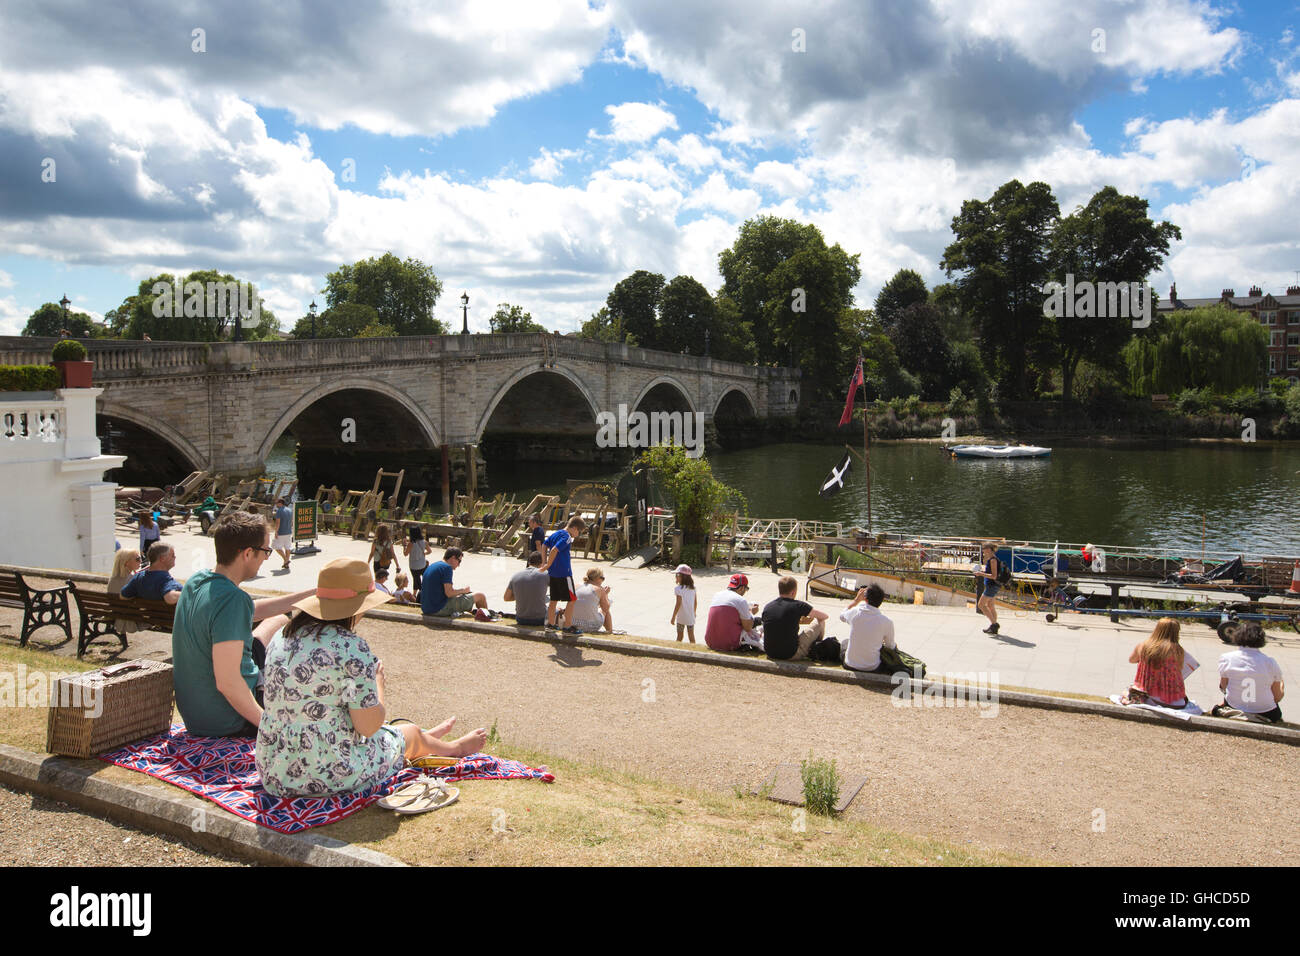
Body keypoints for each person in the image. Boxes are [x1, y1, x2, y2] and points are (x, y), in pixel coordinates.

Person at [256, 557, 487, 798]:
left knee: (404, 733)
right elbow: (368, 727)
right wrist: (379, 685)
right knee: (407, 734)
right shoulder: (350, 648)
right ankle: (453, 748)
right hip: (327, 774)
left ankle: (427, 739)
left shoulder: (282, 636)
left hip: (275, 770)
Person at [171, 511, 315, 738]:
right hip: (227, 719)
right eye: (266, 552)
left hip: (196, 713)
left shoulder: (197, 582)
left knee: (279, 619)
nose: (267, 558)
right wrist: (270, 727)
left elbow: (250, 609)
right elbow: (228, 682)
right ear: (248, 553)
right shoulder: (231, 600)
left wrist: (310, 596)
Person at [1214, 622, 1285, 723]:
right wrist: (1282, 685)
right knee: (1278, 683)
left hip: (1234, 706)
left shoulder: (1226, 658)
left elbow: (1223, 686)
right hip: (1266, 711)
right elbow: (1277, 697)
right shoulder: (1270, 662)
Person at [1121, 618, 1198, 708]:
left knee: (1127, 690)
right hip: (1177, 703)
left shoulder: (1143, 646)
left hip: (1150, 698)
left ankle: (1139, 695)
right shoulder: (1179, 650)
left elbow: (1131, 660)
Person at [762, 575, 829, 661]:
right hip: (790, 654)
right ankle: (817, 647)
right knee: (820, 621)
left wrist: (798, 620)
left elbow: (779, 622)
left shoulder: (768, 607)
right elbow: (824, 616)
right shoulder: (798, 605)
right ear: (793, 592)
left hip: (770, 653)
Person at [541, 516, 586, 634]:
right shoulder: (567, 537)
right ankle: (567, 626)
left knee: (554, 599)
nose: (578, 535)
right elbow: (555, 549)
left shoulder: (556, 533)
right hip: (564, 573)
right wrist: (547, 564)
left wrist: (544, 562)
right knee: (572, 599)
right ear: (574, 528)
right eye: (579, 532)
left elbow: (544, 545)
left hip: (554, 574)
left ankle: (550, 624)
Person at [420, 547, 491, 619]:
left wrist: (459, 593)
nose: (459, 565)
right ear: (453, 558)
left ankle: (479, 614)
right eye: (459, 561)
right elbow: (449, 593)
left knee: (462, 596)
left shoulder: (433, 566)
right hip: (438, 609)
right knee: (480, 596)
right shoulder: (447, 568)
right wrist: (463, 590)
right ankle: (486, 617)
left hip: (426, 609)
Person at [840, 584, 897, 672]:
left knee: (845, 642)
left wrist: (856, 601)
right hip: (873, 667)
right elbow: (890, 646)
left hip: (850, 664)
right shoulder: (887, 622)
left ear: (865, 599)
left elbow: (842, 616)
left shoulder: (855, 612)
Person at [703, 573, 762, 652]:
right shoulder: (740, 600)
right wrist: (751, 613)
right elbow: (748, 627)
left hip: (710, 642)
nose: (745, 592)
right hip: (729, 644)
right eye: (746, 589)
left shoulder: (717, 595)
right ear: (741, 588)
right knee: (756, 621)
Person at [571, 567, 623, 634]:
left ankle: (610, 631)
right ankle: (610, 631)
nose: (603, 581)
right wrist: (605, 594)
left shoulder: (576, 585)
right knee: (606, 610)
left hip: (572, 623)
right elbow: (605, 608)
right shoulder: (599, 589)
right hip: (590, 626)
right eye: (602, 578)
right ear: (597, 578)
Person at [505, 552, 550, 626]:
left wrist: (522, 595)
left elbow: (506, 598)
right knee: (557, 610)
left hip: (521, 619)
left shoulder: (515, 576)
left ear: (529, 562)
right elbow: (558, 591)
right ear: (542, 563)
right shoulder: (545, 574)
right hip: (540, 619)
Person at [106, 548, 143, 636]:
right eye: (137, 559)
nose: (140, 561)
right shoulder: (133, 579)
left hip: (118, 615)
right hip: (132, 618)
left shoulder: (112, 579)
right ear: (126, 563)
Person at [974, 543, 1001, 635]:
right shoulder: (991, 559)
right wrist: (983, 572)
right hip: (993, 585)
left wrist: (981, 574)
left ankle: (994, 624)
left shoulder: (993, 560)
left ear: (989, 549)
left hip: (991, 586)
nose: (983, 550)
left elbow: (994, 576)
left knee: (981, 605)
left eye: (984, 548)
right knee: (990, 606)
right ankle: (993, 627)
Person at [670, 564, 697, 643]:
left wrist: (673, 616)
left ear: (683, 577)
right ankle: (694, 651)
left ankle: (676, 651)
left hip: (681, 617)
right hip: (690, 617)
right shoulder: (693, 588)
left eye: (677, 575)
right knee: (691, 636)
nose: (676, 577)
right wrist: (694, 612)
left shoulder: (678, 589)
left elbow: (678, 604)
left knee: (679, 636)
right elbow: (695, 602)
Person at [403, 526, 429, 599]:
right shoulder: (424, 542)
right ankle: (419, 593)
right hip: (423, 564)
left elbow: (405, 554)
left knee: (416, 579)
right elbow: (430, 551)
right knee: (420, 579)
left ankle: (417, 594)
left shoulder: (411, 544)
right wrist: (424, 554)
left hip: (413, 565)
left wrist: (404, 545)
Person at [271, 497, 293, 569]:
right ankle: (286, 563)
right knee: (287, 547)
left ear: (280, 503)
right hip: (288, 531)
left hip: (281, 532)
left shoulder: (279, 511)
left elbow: (278, 523)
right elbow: (291, 521)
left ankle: (286, 560)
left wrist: (276, 532)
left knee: (276, 546)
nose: (276, 504)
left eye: (277, 503)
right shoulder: (290, 510)